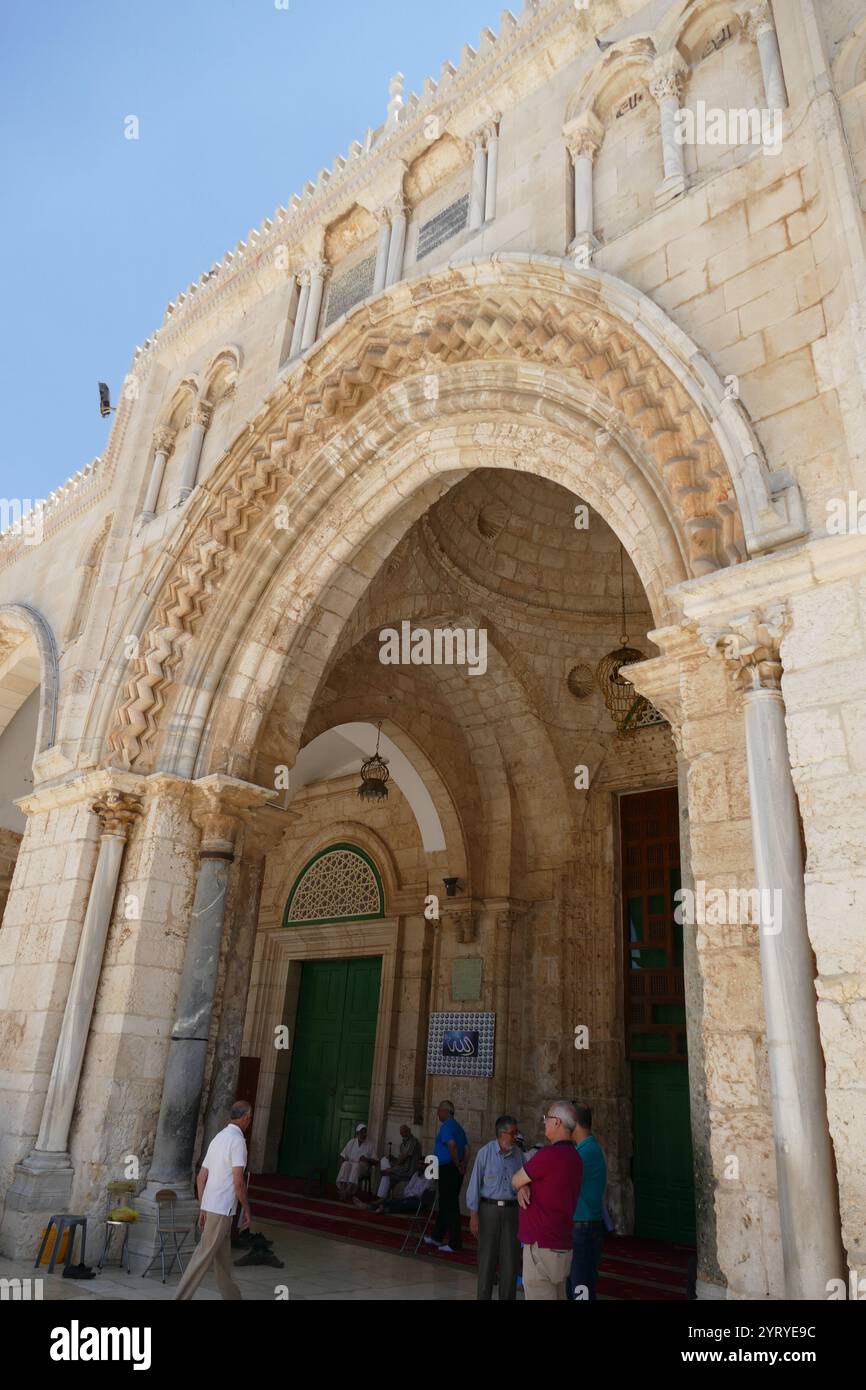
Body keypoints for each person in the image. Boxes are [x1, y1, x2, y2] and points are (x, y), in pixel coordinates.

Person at [174, 1099, 253, 1301]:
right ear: (245, 1118)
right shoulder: (237, 1142)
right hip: (222, 1208)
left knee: (223, 1260)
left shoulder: (218, 1138)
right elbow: (238, 1182)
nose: (249, 1122)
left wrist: (203, 1206)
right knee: (202, 1256)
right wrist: (247, 1209)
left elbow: (201, 1176)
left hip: (213, 1207)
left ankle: (233, 1297)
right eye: (249, 1119)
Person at [511, 1099, 584, 1300]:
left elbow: (516, 1178)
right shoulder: (576, 1158)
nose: (544, 1122)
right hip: (562, 1244)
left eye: (547, 1118)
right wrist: (523, 1186)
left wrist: (521, 1185)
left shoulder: (548, 1155)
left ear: (557, 1122)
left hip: (541, 1246)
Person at [465, 1114, 523, 1300]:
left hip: (512, 1210)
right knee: (487, 1261)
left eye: (516, 1133)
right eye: (512, 1133)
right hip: (488, 1210)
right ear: (501, 1133)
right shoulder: (485, 1153)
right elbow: (474, 1185)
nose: (515, 1137)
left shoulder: (519, 1155)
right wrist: (473, 1216)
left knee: (510, 1262)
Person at [567, 1101, 608, 1301]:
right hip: (583, 1228)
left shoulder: (586, 1152)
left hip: (583, 1230)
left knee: (581, 1287)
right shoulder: (586, 1149)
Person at [424, 1099, 468, 1254]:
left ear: (446, 1111)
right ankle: (437, 1236)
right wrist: (463, 1166)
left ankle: (455, 1243)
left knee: (450, 1206)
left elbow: (451, 1145)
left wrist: (456, 1164)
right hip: (454, 1168)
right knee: (444, 1203)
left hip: (448, 1169)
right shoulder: (459, 1128)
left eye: (439, 1110)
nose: (437, 1113)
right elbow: (467, 1149)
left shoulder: (447, 1127)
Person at [376, 1124, 422, 1200]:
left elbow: (403, 1158)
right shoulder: (403, 1144)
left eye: (405, 1132)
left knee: (387, 1173)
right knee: (386, 1171)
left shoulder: (413, 1142)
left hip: (409, 1171)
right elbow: (400, 1159)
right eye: (402, 1133)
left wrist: (393, 1168)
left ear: (409, 1131)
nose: (404, 1134)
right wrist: (393, 1159)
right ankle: (382, 1200)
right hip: (402, 1169)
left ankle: (380, 1200)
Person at [370, 1161, 436, 1214]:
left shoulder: (430, 1178)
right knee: (398, 1201)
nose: (419, 1166)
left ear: (426, 1166)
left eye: (422, 1164)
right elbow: (406, 1189)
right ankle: (377, 1206)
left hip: (420, 1201)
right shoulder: (416, 1174)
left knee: (404, 1204)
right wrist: (410, 1195)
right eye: (418, 1164)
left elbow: (420, 1194)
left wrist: (410, 1195)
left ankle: (385, 1209)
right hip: (410, 1198)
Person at [337, 1123, 375, 1201]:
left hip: (363, 1168)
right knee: (345, 1164)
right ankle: (343, 1189)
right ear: (357, 1133)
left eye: (365, 1132)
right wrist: (342, 1163)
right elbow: (343, 1155)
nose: (364, 1134)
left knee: (356, 1166)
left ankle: (348, 1191)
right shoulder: (352, 1142)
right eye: (362, 1132)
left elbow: (376, 1161)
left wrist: (366, 1159)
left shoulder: (370, 1145)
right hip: (351, 1165)